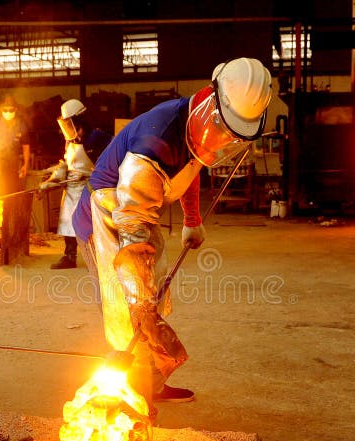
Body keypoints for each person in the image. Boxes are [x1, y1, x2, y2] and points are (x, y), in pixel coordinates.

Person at [72, 57, 273, 404]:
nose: (223, 139)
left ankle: (151, 385)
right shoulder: (154, 145)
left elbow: (188, 170)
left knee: (155, 300)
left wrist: (192, 220)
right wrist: (138, 300)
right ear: (211, 100)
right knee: (127, 311)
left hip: (140, 213)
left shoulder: (193, 127)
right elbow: (132, 234)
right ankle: (131, 396)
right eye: (224, 129)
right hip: (106, 217)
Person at [40, 99, 112, 269]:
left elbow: (108, 163)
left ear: (80, 120)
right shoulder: (70, 141)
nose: (68, 128)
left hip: (90, 186)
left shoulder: (97, 138)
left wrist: (93, 179)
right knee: (67, 221)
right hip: (72, 187)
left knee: (92, 223)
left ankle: (99, 256)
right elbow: (66, 164)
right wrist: (52, 180)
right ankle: (69, 256)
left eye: (70, 123)